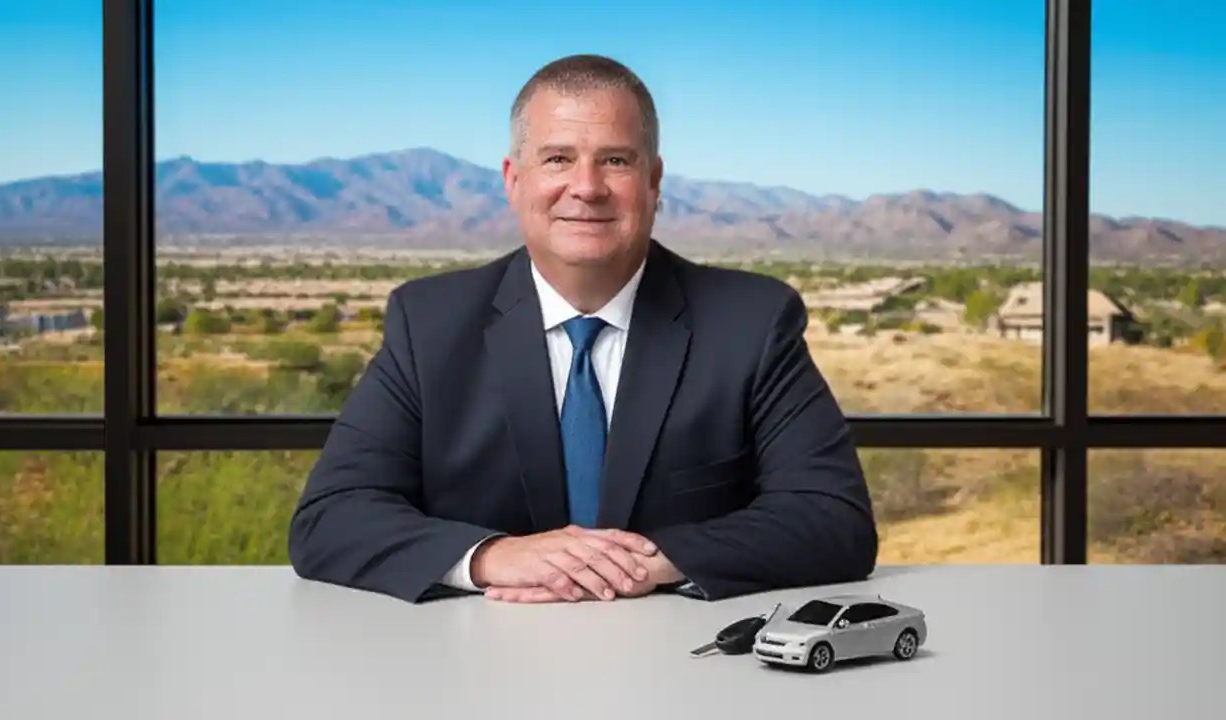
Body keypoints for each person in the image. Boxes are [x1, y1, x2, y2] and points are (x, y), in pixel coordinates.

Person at [289, 54, 877, 604]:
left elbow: (832, 519)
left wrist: (648, 563)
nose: (588, 186)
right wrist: (493, 557)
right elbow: (332, 516)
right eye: (558, 158)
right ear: (513, 179)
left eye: (616, 160)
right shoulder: (430, 323)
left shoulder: (752, 322)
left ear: (654, 181)